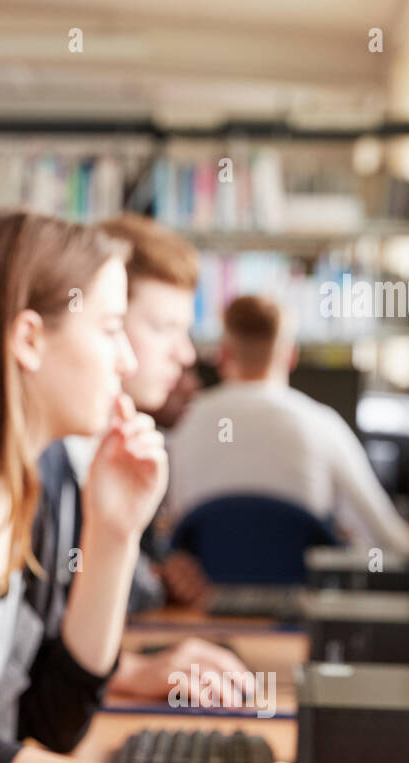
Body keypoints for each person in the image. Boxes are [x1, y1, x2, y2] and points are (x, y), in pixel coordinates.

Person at [0, 210, 366, 763]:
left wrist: (114, 532)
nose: (126, 357)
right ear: (29, 340)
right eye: (109, 330)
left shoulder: (34, 482)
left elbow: (53, 720)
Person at [40, 213, 251, 700]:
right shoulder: (44, 458)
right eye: (162, 328)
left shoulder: (117, 449)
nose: (185, 355)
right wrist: (131, 671)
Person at [166, 294, 409, 558]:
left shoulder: (186, 423)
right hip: (302, 598)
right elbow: (393, 541)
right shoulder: (322, 424)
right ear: (291, 355)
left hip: (197, 598)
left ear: (223, 354)